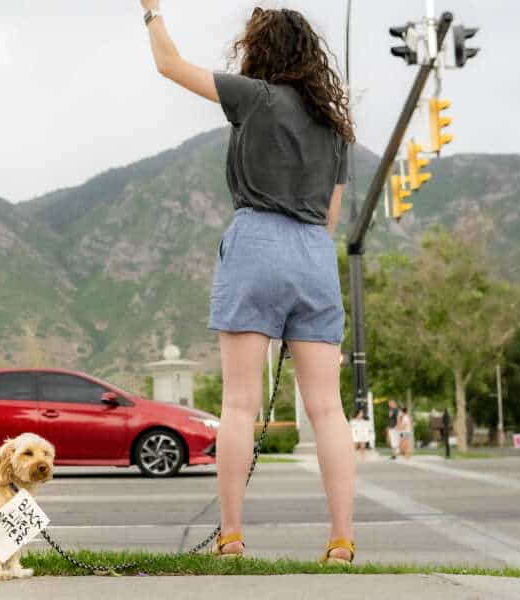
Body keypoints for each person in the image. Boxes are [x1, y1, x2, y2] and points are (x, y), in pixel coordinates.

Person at [140, 2, 356, 564]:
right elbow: (331, 218)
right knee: (327, 409)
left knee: (239, 404)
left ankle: (232, 537)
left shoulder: (255, 97)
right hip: (314, 253)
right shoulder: (335, 128)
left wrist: (151, 13)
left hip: (257, 241)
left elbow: (169, 65)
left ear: (261, 49)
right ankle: (341, 540)